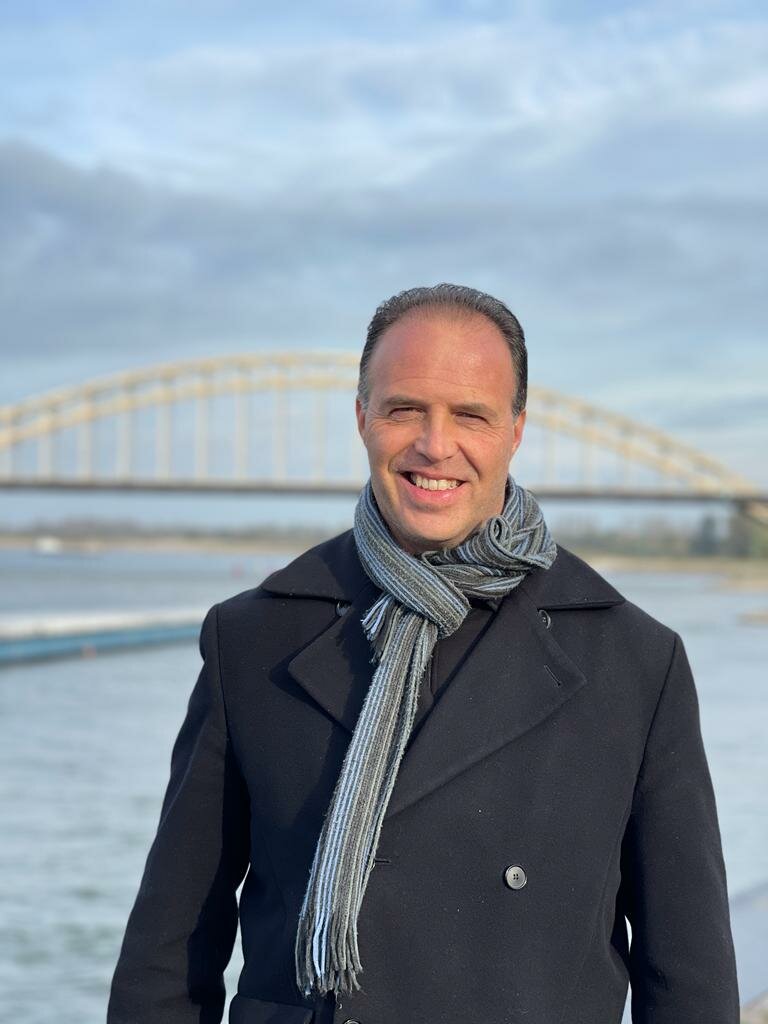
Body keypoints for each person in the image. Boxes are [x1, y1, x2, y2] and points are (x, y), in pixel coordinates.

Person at [107, 283, 740, 1024]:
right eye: (405, 409)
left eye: (470, 414)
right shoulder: (252, 639)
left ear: (515, 430)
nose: (435, 446)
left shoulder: (634, 662)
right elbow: (169, 954)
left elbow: (688, 978)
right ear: (362, 418)